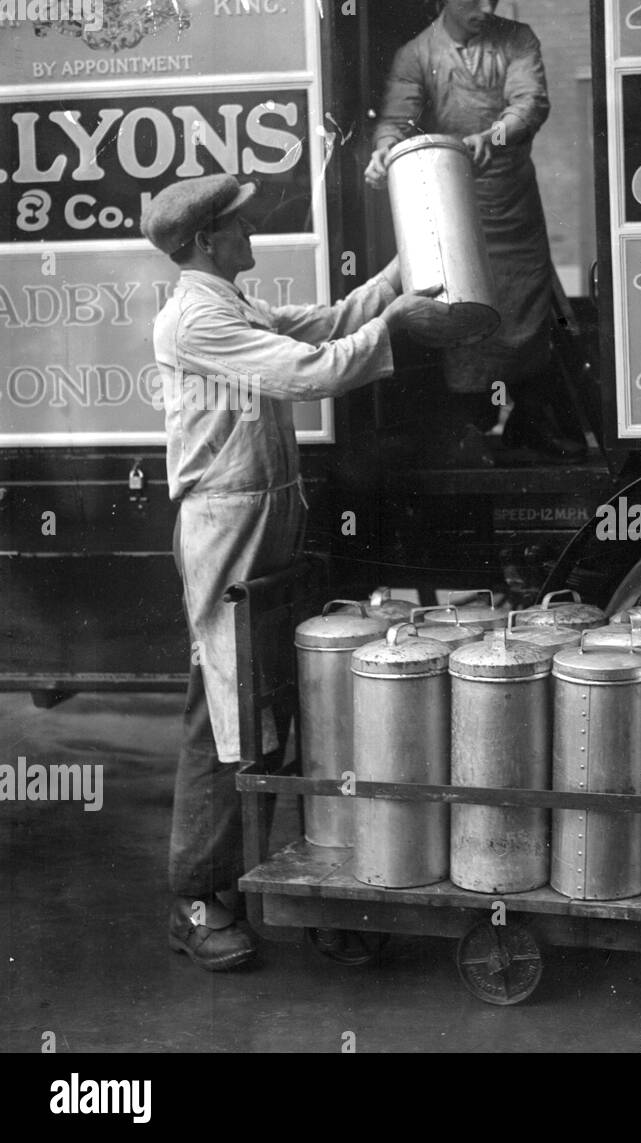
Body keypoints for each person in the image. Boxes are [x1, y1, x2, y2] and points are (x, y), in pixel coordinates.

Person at [142, 173, 456, 971]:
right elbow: (311, 369)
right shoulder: (197, 317)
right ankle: (196, 900)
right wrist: (399, 321)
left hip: (267, 514)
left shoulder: (232, 303)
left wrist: (400, 273)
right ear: (207, 240)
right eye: (241, 225)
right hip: (227, 521)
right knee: (226, 715)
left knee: (285, 703)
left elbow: (324, 322)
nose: (255, 232)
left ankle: (301, 883)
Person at [366, 0, 584, 464]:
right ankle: (468, 426)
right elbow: (395, 119)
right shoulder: (416, 54)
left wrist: (494, 137)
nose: (486, 8)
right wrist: (384, 150)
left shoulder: (517, 39)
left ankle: (528, 425)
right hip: (450, 201)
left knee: (524, 306)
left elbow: (530, 103)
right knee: (460, 304)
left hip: (513, 204)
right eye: (472, 0)